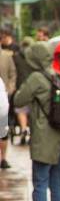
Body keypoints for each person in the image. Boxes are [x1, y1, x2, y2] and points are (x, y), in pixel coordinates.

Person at [13, 40, 60, 201]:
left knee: (40, 182)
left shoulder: (35, 78)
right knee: (57, 184)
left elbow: (18, 100)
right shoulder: (57, 75)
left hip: (44, 138)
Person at [0, 34, 16, 169]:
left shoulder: (6, 56)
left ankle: (3, 158)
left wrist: (10, 89)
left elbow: (13, 73)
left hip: (3, 97)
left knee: (3, 131)